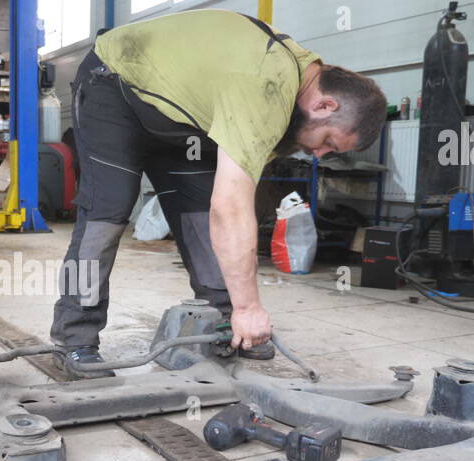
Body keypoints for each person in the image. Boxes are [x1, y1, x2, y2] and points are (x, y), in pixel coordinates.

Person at [50, 9, 387, 378]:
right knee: (107, 212)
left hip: (180, 120)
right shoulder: (265, 83)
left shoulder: (299, 78)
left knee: (197, 211)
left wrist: (240, 310)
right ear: (325, 105)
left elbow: (222, 205)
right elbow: (231, 208)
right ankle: (74, 340)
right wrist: (250, 306)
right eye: (328, 143)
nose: (320, 155)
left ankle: (225, 325)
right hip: (112, 84)